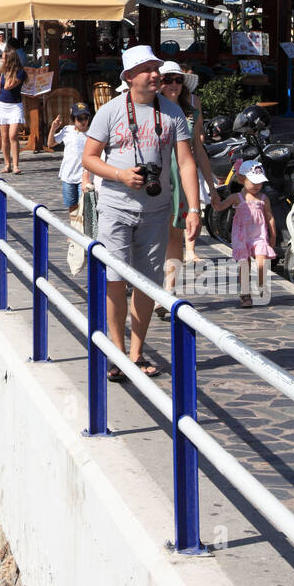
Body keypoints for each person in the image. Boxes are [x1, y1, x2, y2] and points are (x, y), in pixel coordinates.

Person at [83, 46, 201, 381]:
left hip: (156, 210)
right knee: (116, 279)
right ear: (129, 77)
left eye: (156, 68)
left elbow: (186, 161)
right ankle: (117, 353)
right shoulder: (109, 111)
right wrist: (120, 175)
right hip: (116, 209)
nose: (154, 75)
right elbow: (89, 158)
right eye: (147, 69)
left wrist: (194, 208)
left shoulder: (172, 113)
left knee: (148, 284)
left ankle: (136, 352)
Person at [158, 62, 218, 315]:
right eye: (167, 79)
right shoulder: (149, 109)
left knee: (174, 236)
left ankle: (168, 291)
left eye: (177, 80)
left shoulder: (191, 111)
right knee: (152, 236)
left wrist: (211, 186)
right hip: (157, 176)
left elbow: (198, 149)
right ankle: (148, 285)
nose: (173, 84)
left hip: (180, 177)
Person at [210, 161, 276, 307]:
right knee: (244, 266)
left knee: (261, 263)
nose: (257, 186)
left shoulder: (264, 199)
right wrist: (214, 201)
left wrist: (273, 235)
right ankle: (245, 294)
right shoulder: (236, 197)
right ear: (242, 179)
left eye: (260, 182)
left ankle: (261, 283)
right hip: (242, 237)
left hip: (259, 236)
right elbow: (220, 207)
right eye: (254, 182)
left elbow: (269, 216)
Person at [47, 102, 93, 274]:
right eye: (79, 118)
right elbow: (51, 143)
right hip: (68, 174)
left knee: (84, 207)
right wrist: (53, 127)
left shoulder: (93, 133)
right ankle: (75, 230)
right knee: (72, 205)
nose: (83, 121)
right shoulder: (67, 130)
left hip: (84, 176)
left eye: (85, 117)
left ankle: (79, 231)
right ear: (73, 119)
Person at [0, 46, 27, 175]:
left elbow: (8, 85)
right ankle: (7, 164)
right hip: (3, 105)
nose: (1, 60)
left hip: (15, 106)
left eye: (4, 58)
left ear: (10, 59)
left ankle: (16, 165)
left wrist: (9, 73)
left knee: (13, 136)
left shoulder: (21, 72)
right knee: (4, 136)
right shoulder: (2, 72)